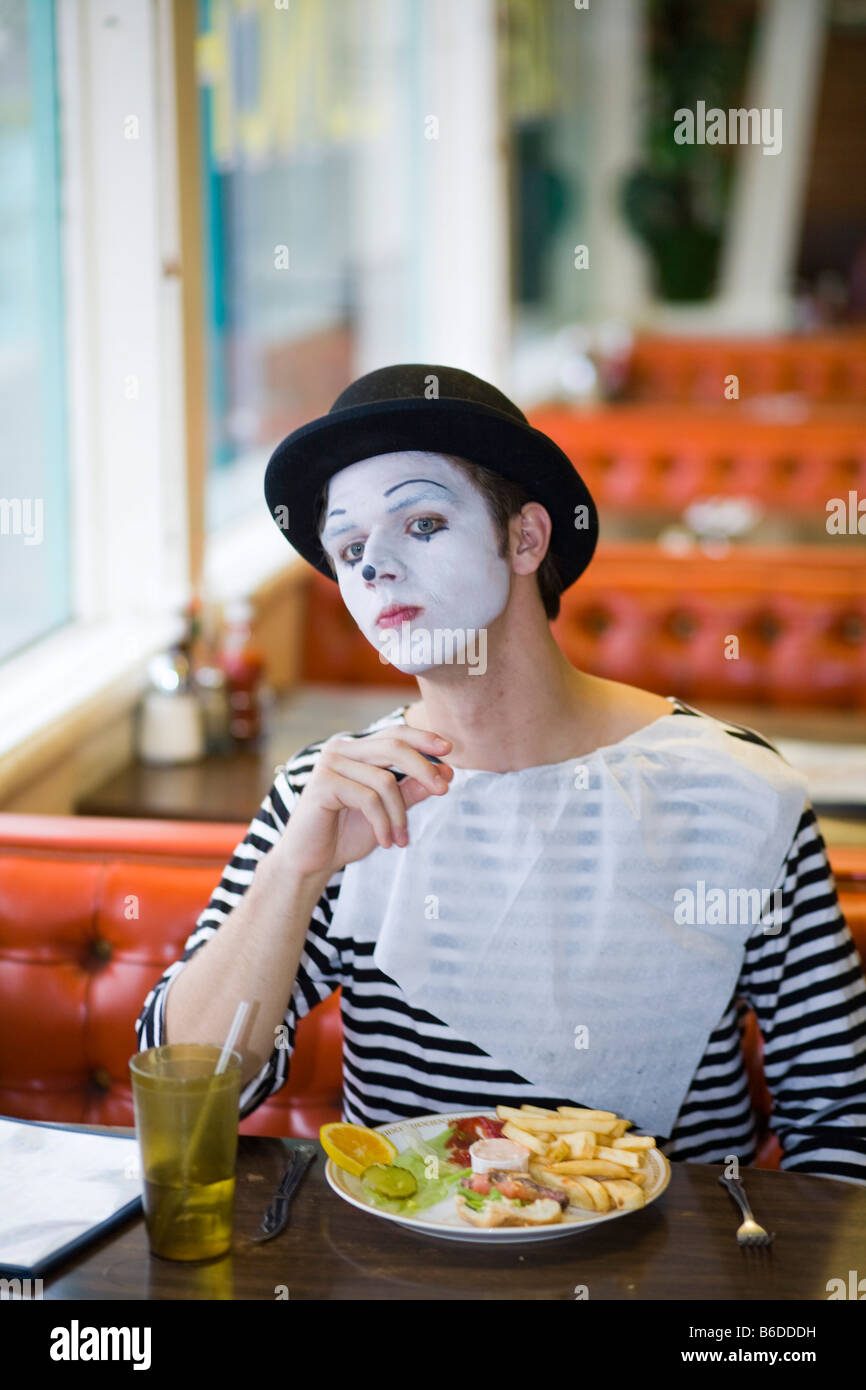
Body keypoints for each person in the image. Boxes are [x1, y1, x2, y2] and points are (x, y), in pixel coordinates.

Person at [136, 364, 866, 1183]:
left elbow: (841, 1117)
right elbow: (192, 1086)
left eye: (419, 523)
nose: (372, 567)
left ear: (525, 538)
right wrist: (295, 869)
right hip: (407, 1267)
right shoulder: (335, 793)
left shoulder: (737, 792)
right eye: (348, 547)